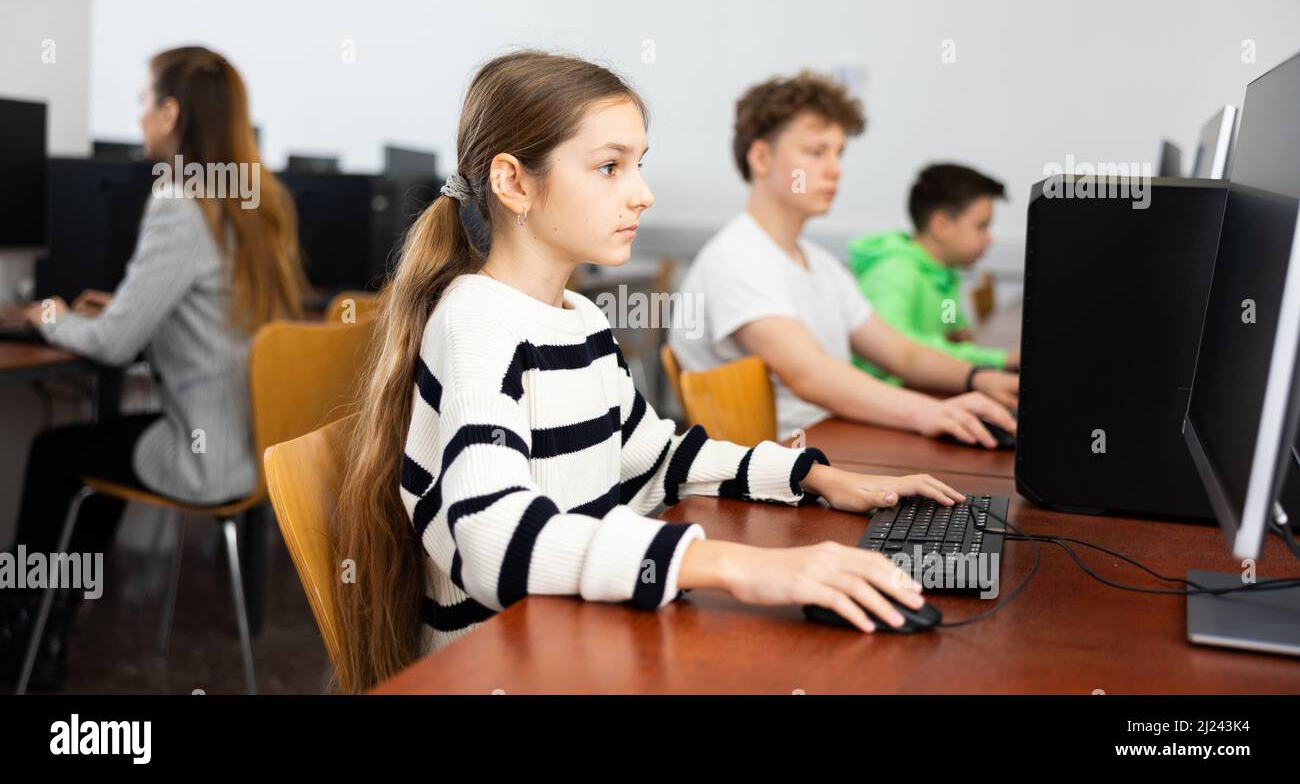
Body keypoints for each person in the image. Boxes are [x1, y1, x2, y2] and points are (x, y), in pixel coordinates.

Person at [333, 51, 967, 693]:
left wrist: (815, 476)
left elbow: (655, 461)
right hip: (504, 662)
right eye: (610, 166)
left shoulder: (579, 319)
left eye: (638, 164)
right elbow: (490, 537)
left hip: (572, 639)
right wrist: (727, 565)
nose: (643, 192)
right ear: (514, 183)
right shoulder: (475, 323)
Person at [0, 46, 309, 688]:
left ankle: (24, 626)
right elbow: (220, 304)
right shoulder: (256, 200)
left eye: (145, 101)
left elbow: (113, 345)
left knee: (60, 455)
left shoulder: (178, 202)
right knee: (95, 454)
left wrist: (43, 316)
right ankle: (52, 623)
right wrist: (133, 304)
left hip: (207, 459)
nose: (139, 116)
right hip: (254, 452)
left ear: (171, 113)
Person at [670, 71, 1018, 444]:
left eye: (838, 153)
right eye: (816, 152)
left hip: (832, 439)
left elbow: (899, 353)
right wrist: (929, 412)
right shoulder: (736, 259)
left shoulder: (819, 263)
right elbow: (810, 374)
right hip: (778, 467)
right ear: (761, 157)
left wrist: (977, 377)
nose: (835, 169)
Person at [848, 163, 1018, 383]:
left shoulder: (945, 272)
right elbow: (899, 349)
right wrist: (998, 360)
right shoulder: (895, 272)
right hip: (880, 400)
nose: (990, 238)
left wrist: (958, 329)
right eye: (981, 226)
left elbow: (948, 334)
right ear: (942, 226)